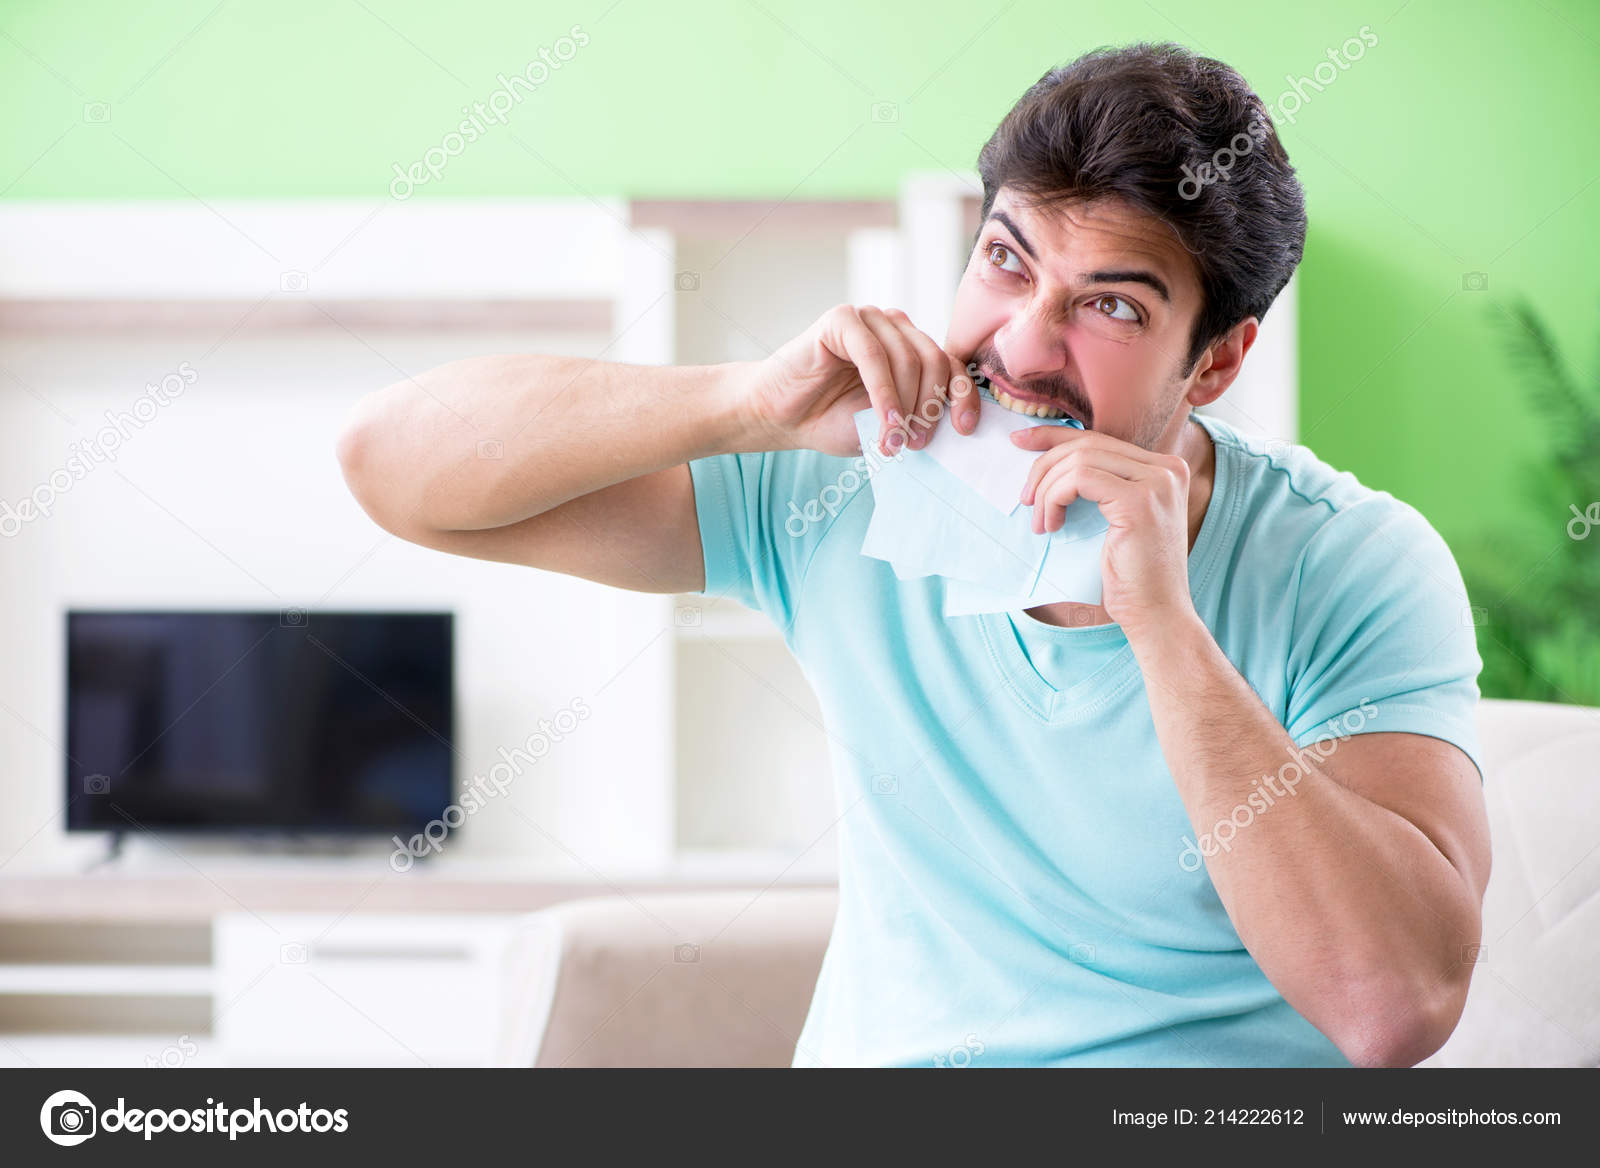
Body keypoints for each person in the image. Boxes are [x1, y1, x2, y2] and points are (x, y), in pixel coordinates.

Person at [337, 42, 1490, 1068]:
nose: (1024, 344)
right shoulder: (844, 477)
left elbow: (1390, 1008)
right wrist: (746, 403)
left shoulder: (1351, 564)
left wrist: (1167, 635)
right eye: (1004, 260)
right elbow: (390, 467)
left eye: (1114, 309)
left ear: (1216, 364)